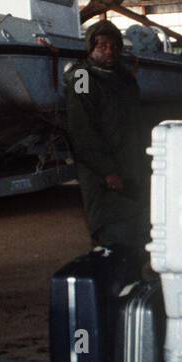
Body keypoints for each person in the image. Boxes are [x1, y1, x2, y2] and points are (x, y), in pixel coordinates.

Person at [64, 19, 150, 260]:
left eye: (113, 46)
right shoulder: (81, 76)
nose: (109, 51)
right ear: (91, 49)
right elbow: (81, 131)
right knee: (114, 236)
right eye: (102, 46)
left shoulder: (125, 78)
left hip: (133, 170)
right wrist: (108, 171)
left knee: (139, 235)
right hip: (104, 177)